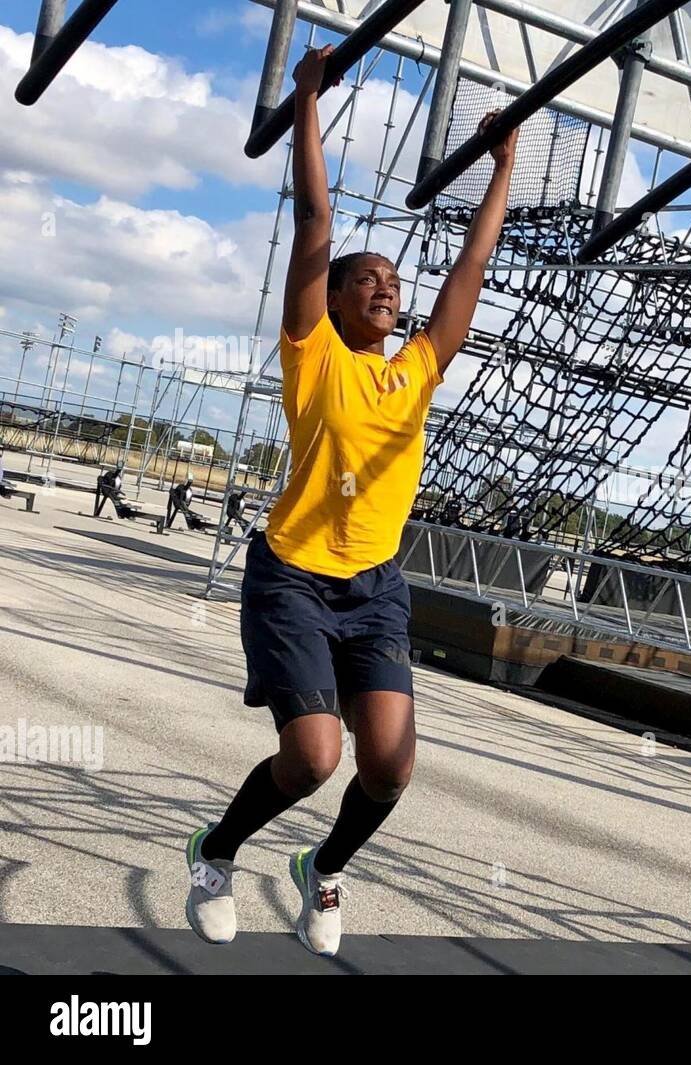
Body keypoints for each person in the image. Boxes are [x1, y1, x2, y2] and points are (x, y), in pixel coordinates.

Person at [184, 43, 516, 957]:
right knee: (314, 756)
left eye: (392, 283)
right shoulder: (313, 354)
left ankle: (321, 870)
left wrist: (505, 169)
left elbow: (469, 274)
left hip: (373, 587)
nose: (384, 288)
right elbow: (317, 222)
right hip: (291, 574)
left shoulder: (412, 371)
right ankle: (215, 852)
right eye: (364, 279)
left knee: (391, 764)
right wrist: (305, 101)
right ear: (328, 302)